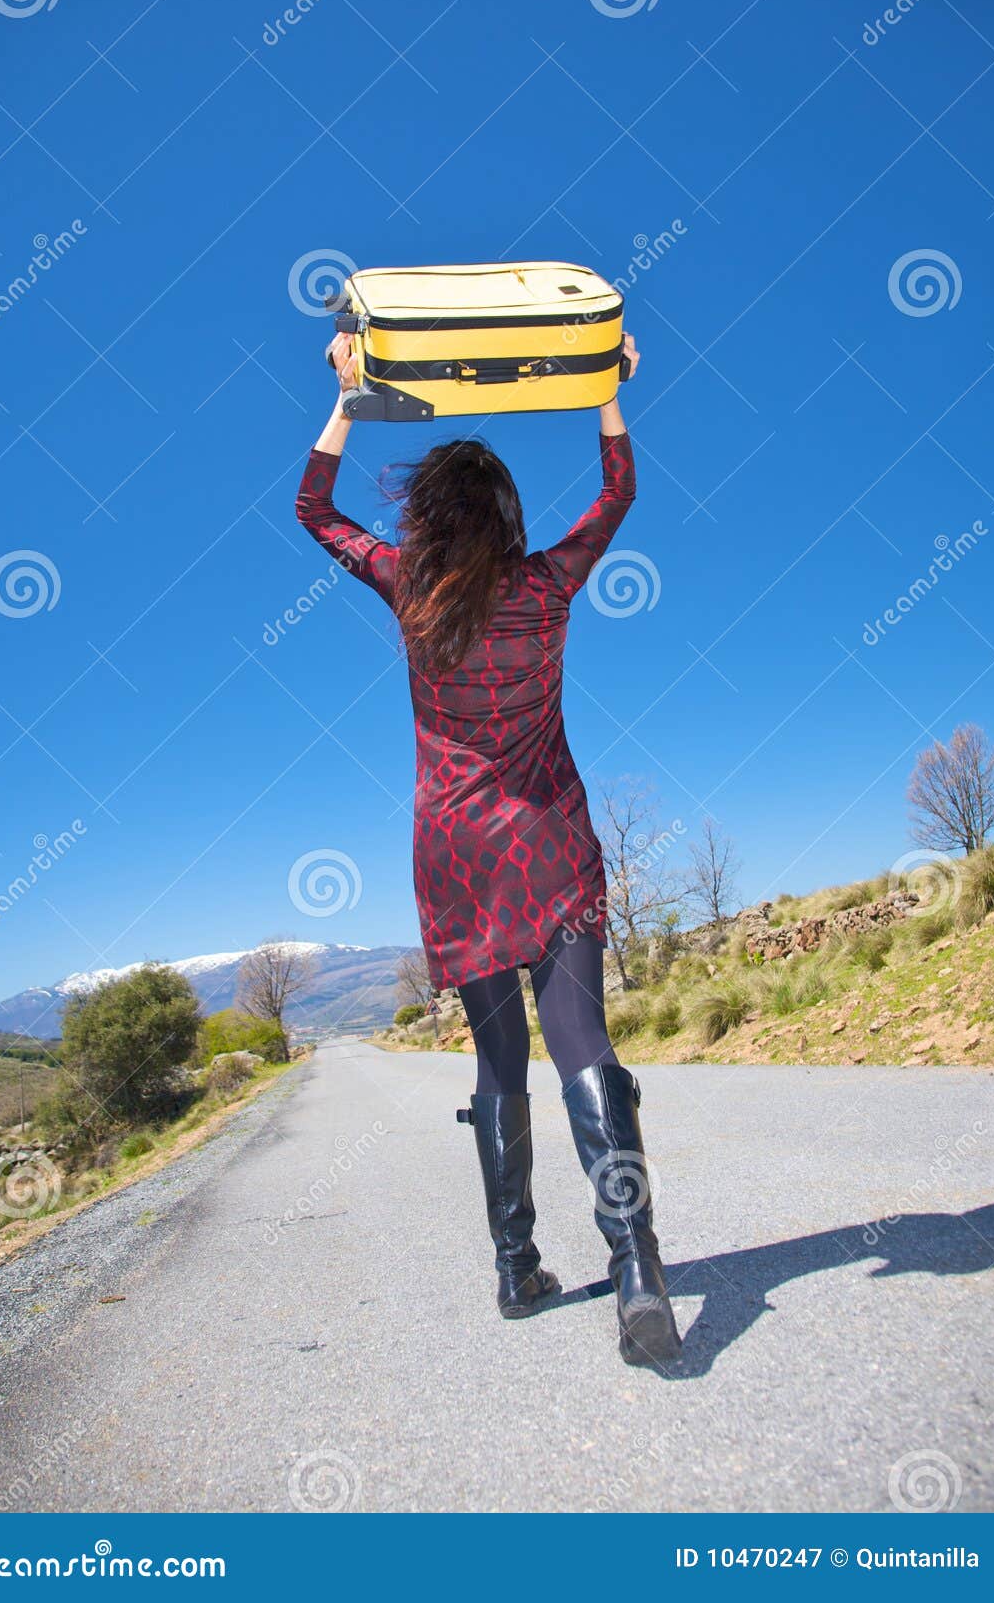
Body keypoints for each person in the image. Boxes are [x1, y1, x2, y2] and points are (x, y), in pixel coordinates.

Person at [297, 331, 681, 1366]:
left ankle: (517, 1269)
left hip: (456, 857)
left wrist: (345, 395)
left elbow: (313, 512)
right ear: (507, 516)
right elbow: (618, 494)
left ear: (428, 519)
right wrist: (604, 389)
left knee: (499, 1059)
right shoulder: (549, 585)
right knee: (583, 1045)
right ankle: (638, 1268)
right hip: (549, 837)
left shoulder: (406, 590)